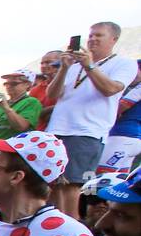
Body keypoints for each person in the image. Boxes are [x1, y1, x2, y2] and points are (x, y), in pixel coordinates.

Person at [45, 22, 136, 219]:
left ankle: (71, 231)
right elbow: (52, 94)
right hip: (57, 130)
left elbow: (111, 89)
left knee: (71, 186)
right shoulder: (73, 66)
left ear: (114, 39)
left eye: (99, 35)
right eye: (91, 35)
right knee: (53, 186)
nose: (93, 39)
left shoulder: (124, 64)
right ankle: (55, 228)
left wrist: (89, 65)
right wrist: (64, 69)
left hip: (87, 131)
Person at [98, 60, 141, 175]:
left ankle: (89, 194)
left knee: (98, 176)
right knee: (118, 178)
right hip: (134, 139)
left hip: (122, 136)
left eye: (135, 72)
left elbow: (123, 105)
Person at [31, 51, 62, 130]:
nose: (44, 66)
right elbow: (34, 113)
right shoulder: (35, 90)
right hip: (42, 133)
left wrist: (47, 109)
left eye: (48, 62)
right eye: (42, 63)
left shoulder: (72, 84)